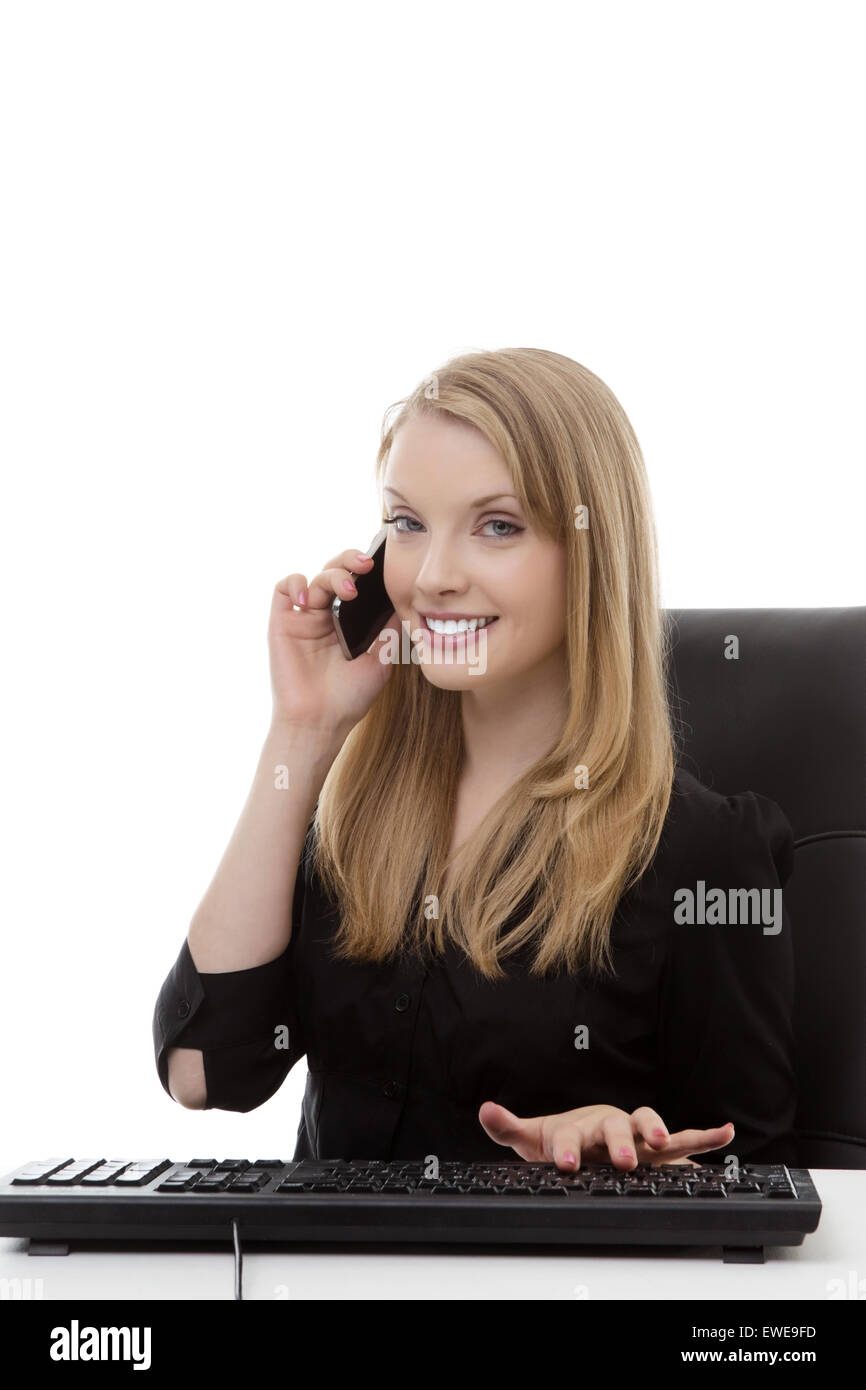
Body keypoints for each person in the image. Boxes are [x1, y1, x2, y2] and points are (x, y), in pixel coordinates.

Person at [152, 347, 797, 1173]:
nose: (434, 576)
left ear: (591, 557)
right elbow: (204, 1072)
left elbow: (763, 1186)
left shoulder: (709, 853)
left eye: (498, 526)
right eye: (407, 525)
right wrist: (303, 733)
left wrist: (624, 1157)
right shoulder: (358, 817)